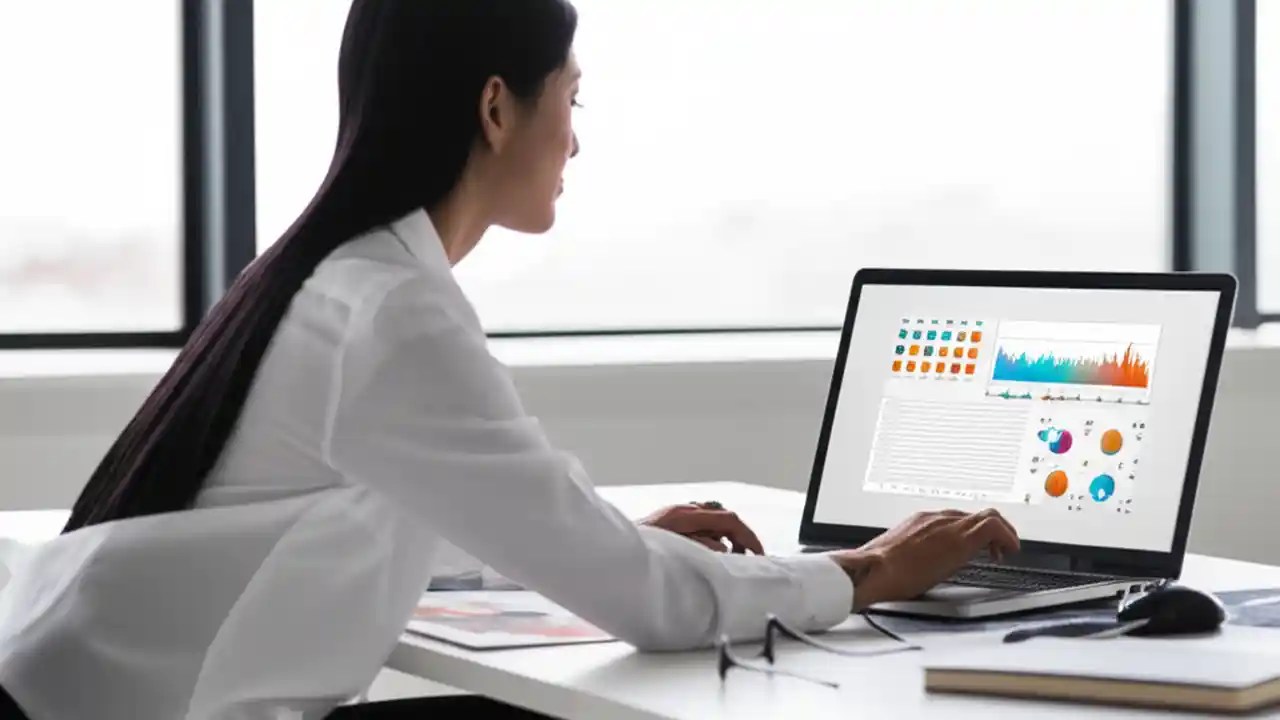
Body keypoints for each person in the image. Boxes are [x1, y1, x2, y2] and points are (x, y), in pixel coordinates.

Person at [0, 1, 1019, 718]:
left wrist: (588, 539)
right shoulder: (396, 310)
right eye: (570, 99)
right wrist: (870, 569)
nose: (575, 140)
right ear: (496, 109)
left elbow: (360, 517)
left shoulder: (326, 271)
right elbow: (649, 607)